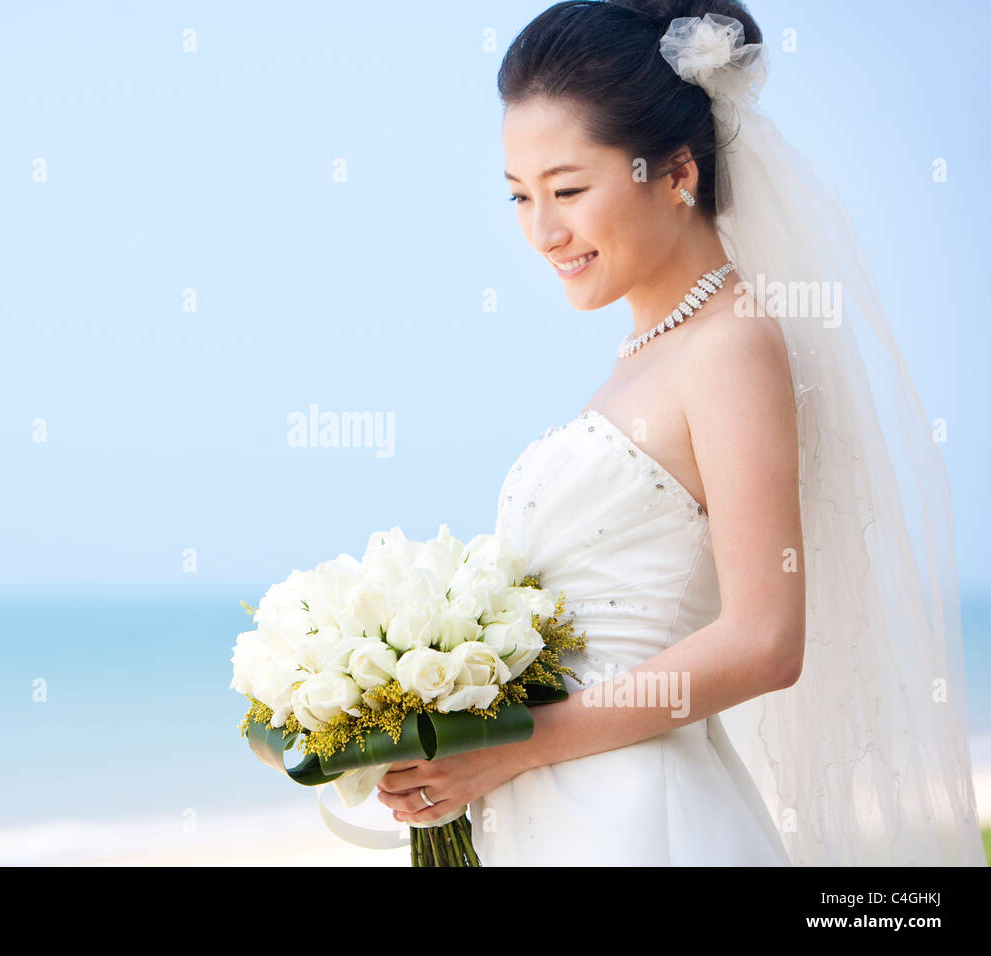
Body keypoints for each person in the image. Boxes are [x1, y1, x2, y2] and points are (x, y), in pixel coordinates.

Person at [376, 0, 985, 866]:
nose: (544, 233)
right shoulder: (645, 356)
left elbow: (766, 641)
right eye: (520, 197)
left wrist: (515, 746)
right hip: (563, 812)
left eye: (570, 190)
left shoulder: (733, 346)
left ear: (677, 174)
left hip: (640, 822)